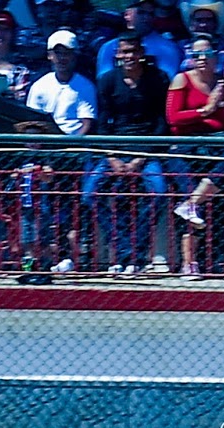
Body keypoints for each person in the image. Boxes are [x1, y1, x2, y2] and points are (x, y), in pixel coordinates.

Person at [87, 31, 171, 275]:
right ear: (117, 55)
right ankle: (125, 252)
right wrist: (112, 157)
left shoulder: (158, 79)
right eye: (124, 52)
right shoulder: (107, 81)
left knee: (158, 193)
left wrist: (141, 157)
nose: (129, 56)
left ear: (142, 53)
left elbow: (161, 123)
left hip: (146, 152)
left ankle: (137, 253)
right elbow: (102, 123)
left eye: (133, 51)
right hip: (114, 150)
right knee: (89, 193)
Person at [166, 33, 224, 278]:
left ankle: (193, 203)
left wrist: (219, 104)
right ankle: (189, 263)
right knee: (186, 186)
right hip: (187, 147)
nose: (201, 59)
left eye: (206, 54)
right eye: (195, 54)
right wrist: (205, 110)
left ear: (216, 57)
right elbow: (174, 119)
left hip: (218, 146)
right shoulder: (182, 80)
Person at [25, 28, 96, 274]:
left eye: (66, 53)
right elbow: (31, 123)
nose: (62, 58)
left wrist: (69, 148)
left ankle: (71, 257)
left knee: (71, 209)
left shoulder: (84, 86)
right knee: (41, 209)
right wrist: (42, 154)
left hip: (72, 156)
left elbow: (86, 124)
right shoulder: (40, 86)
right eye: (57, 53)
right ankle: (39, 258)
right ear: (49, 56)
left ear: (74, 55)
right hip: (45, 155)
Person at [97, 0, 182, 80]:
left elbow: (168, 80)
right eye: (141, 13)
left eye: (151, 14)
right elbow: (103, 80)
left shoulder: (168, 48)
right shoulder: (108, 47)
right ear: (127, 15)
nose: (147, 18)